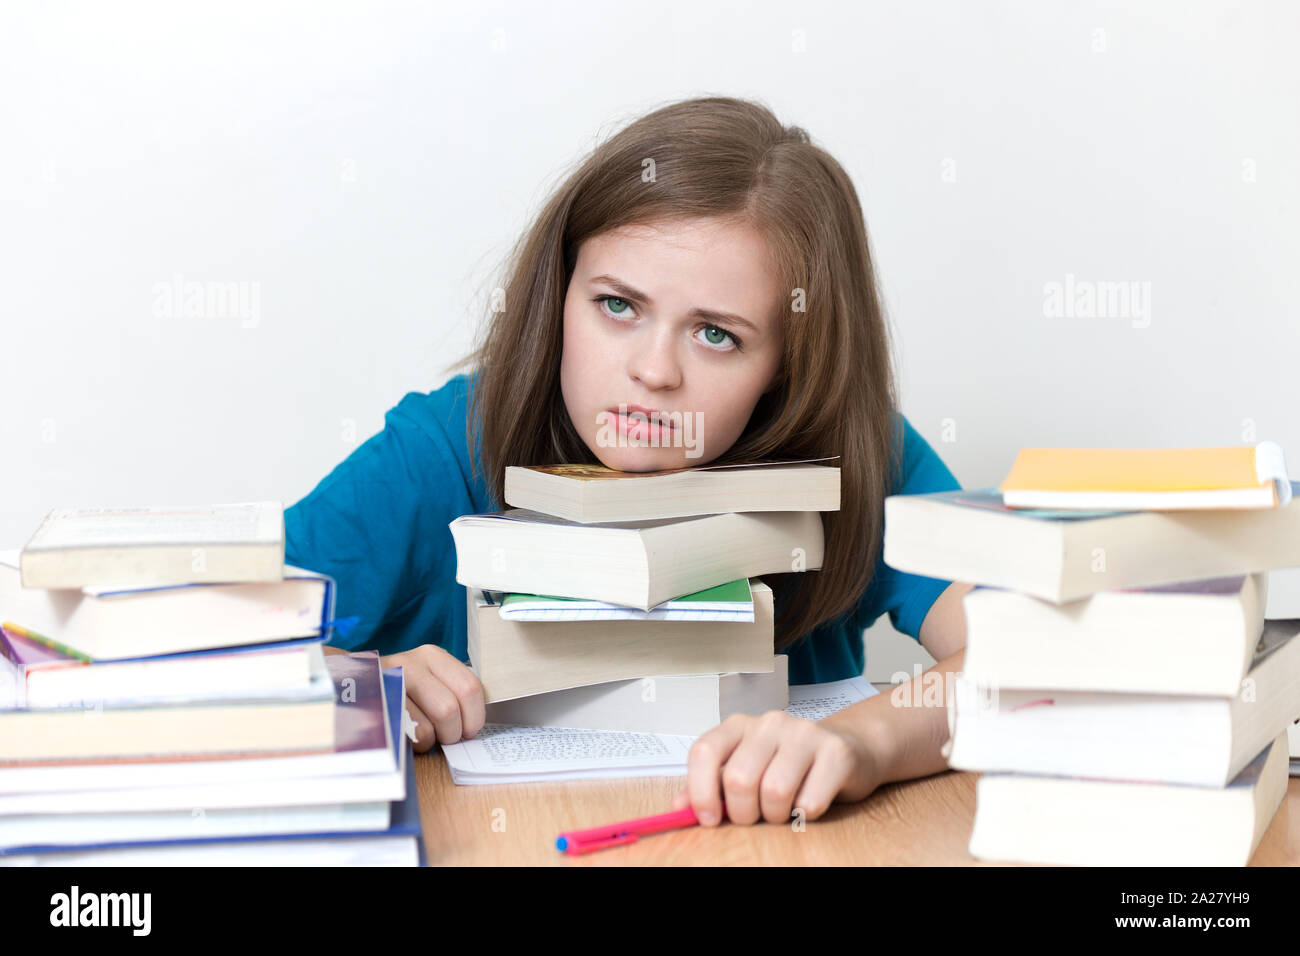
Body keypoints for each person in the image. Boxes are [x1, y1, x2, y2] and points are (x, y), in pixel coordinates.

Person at [285, 95, 973, 827]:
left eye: (716, 334)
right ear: (558, 297)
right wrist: (357, 681)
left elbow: (1024, 659)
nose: (652, 371)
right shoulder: (441, 449)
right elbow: (196, 650)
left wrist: (860, 741)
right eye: (617, 306)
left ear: (786, 365)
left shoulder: (860, 455)